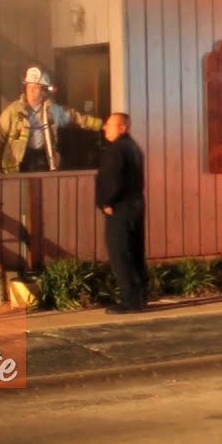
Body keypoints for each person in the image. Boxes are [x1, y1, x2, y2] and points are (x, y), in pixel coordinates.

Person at [0, 66, 104, 174]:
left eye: (35, 87)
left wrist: (101, 125)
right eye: (29, 86)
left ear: (43, 91)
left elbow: (77, 118)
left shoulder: (53, 110)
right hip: (18, 164)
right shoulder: (13, 111)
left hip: (43, 161)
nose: (31, 91)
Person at [95, 112, 148, 313]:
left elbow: (112, 180)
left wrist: (106, 202)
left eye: (110, 125)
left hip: (119, 208)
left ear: (122, 128)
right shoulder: (134, 148)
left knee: (120, 253)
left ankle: (129, 300)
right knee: (135, 252)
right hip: (135, 205)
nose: (105, 128)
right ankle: (140, 296)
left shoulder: (116, 150)